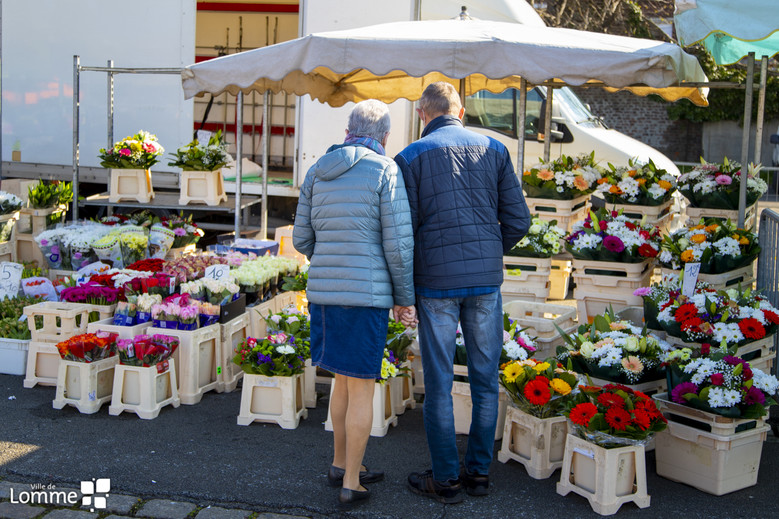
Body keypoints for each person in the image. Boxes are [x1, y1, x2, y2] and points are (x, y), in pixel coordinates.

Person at [395, 82, 530, 503]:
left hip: (435, 282)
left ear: (422, 114)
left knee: (438, 384)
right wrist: (490, 250)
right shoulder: (495, 149)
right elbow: (519, 220)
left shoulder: (410, 157)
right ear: (462, 110)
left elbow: (405, 232)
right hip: (486, 280)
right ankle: (478, 474)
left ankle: (447, 480)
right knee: (485, 381)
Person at [293, 99, 416, 509]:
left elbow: (301, 240)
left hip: (325, 293)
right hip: (365, 296)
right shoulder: (385, 170)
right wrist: (404, 299)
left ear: (348, 130)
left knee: (342, 380)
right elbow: (397, 246)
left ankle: (340, 464)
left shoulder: (316, 170)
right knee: (362, 385)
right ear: (384, 137)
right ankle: (351, 483)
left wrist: (330, 255)